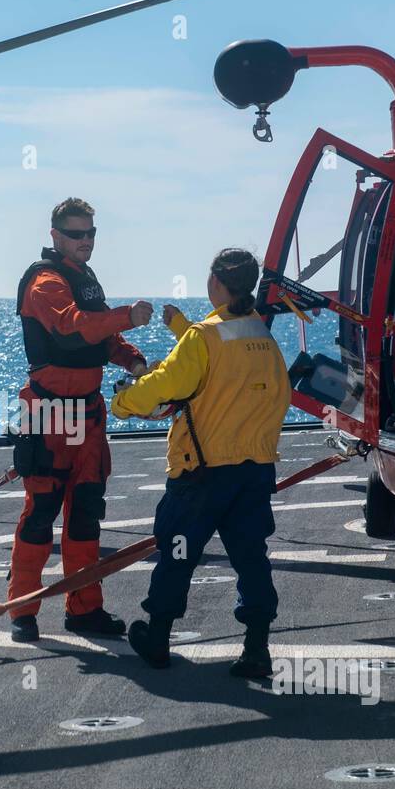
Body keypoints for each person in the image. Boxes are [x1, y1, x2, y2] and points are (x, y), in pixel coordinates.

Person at [112, 249, 290, 677]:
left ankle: (157, 637)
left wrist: (123, 403)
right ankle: (256, 649)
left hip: (202, 473)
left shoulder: (204, 338)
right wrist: (180, 328)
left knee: (177, 552)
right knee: (251, 558)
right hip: (252, 472)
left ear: (215, 283)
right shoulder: (261, 337)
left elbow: (169, 381)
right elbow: (240, 370)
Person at [8, 198, 152, 643]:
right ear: (55, 236)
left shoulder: (84, 278)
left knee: (87, 512)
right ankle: (21, 611)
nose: (85, 241)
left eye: (90, 233)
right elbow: (72, 327)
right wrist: (127, 316)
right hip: (51, 411)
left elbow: (102, 337)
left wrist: (133, 360)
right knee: (42, 512)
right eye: (76, 234)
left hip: (86, 411)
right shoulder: (44, 282)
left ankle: (85, 609)